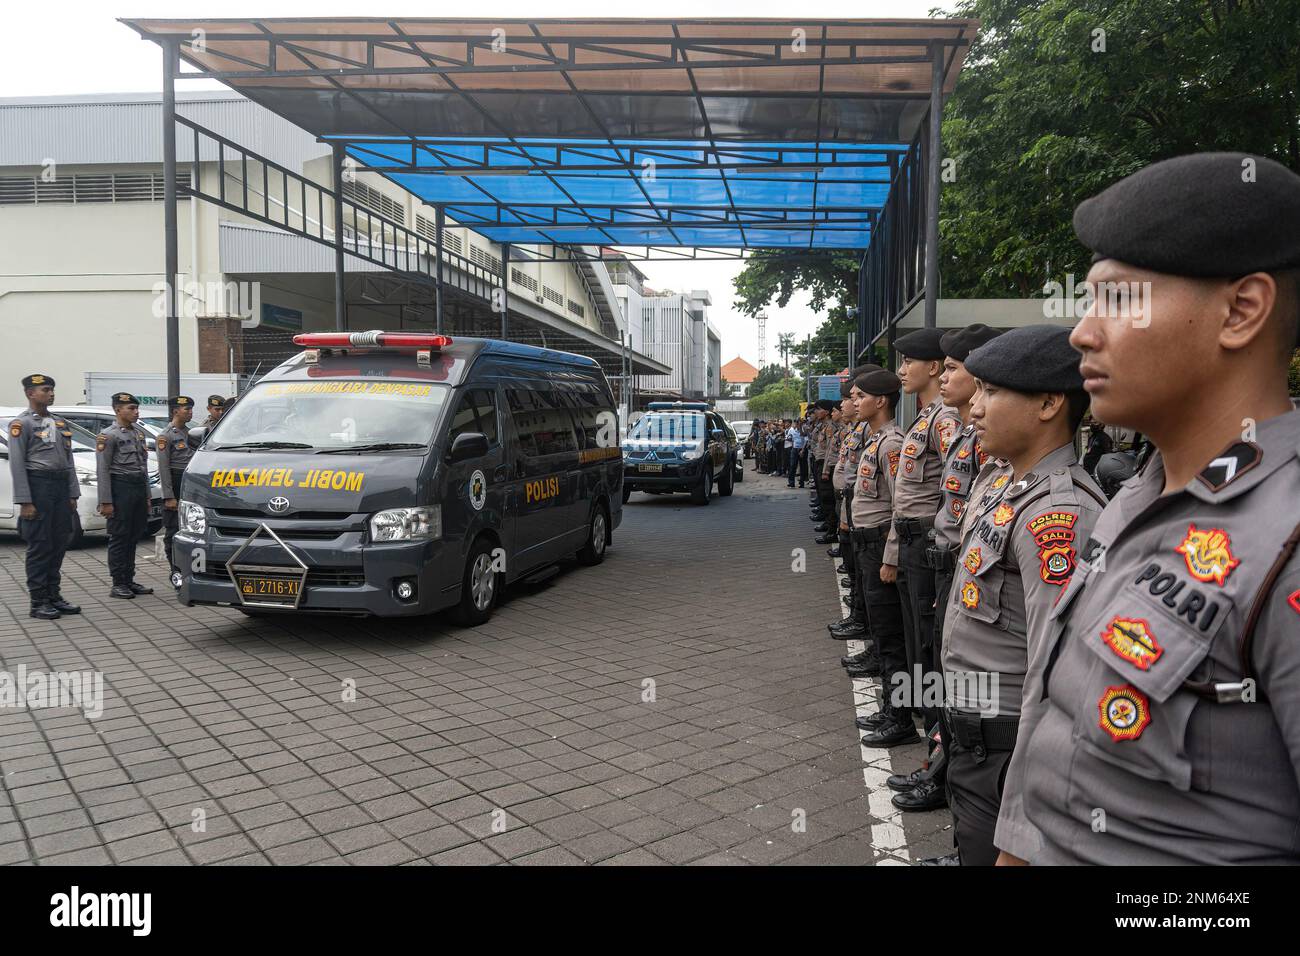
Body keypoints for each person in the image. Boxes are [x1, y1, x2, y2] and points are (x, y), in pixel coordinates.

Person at [996, 152, 1300, 866]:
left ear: (1240, 311)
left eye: (1118, 299)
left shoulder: (1285, 540)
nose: (1082, 334)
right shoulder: (1136, 498)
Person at [935, 325, 1106, 865]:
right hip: (974, 728)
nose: (974, 408)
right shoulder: (1009, 483)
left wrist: (1020, 833)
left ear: (1049, 403)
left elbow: (1054, 680)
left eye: (990, 391)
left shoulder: (1058, 515)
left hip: (1006, 743)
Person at [890, 323, 1007, 813]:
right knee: (935, 661)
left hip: (957, 565)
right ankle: (941, 767)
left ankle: (943, 774)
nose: (944, 379)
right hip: (944, 563)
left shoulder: (964, 432)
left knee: (950, 675)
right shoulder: (956, 429)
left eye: (955, 368)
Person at [866, 329, 961, 749]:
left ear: (934, 367)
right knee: (912, 639)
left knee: (927, 642)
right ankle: (912, 719)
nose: (901, 371)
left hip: (926, 544)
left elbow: (956, 490)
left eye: (908, 362)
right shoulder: (925, 419)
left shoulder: (946, 421)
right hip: (908, 541)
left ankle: (932, 736)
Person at [847, 369, 905, 681]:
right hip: (867, 540)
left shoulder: (892, 444)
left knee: (888, 628)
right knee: (878, 621)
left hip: (880, 542)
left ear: (880, 401)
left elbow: (901, 504)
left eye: (862, 397)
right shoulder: (876, 439)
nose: (855, 402)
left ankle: (899, 718)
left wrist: (891, 556)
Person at [8, 374, 81, 620]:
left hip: (60, 486)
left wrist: (73, 492)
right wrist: (25, 501)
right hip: (39, 486)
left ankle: (54, 595)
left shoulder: (59, 423)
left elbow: (69, 461)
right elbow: (17, 464)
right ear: (30, 393)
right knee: (40, 545)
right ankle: (38, 601)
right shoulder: (22, 424)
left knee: (59, 543)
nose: (50, 394)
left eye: (51, 389)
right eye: (45, 390)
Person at [97, 392, 154, 600]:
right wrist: (105, 501)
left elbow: (143, 467)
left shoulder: (138, 434)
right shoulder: (108, 435)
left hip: (137, 488)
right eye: (131, 408)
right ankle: (118, 583)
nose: (135, 412)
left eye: (136, 408)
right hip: (120, 488)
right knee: (120, 537)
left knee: (133, 536)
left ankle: (129, 579)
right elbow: (102, 469)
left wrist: (147, 496)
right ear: (117, 410)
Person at [156, 395, 196, 587]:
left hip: (189, 484)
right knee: (173, 531)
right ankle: (176, 573)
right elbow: (164, 469)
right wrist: (169, 496)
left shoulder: (192, 433)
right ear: (175, 411)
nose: (190, 412)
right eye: (186, 409)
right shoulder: (166, 436)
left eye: (190, 409)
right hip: (175, 482)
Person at [786, 418, 807, 488]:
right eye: (796, 423)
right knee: (792, 465)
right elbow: (789, 438)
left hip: (802, 449)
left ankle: (801, 482)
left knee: (802, 467)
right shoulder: (791, 430)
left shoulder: (804, 430)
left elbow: (806, 440)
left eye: (798, 423)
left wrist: (803, 450)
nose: (797, 425)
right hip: (794, 449)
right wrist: (789, 439)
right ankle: (791, 482)